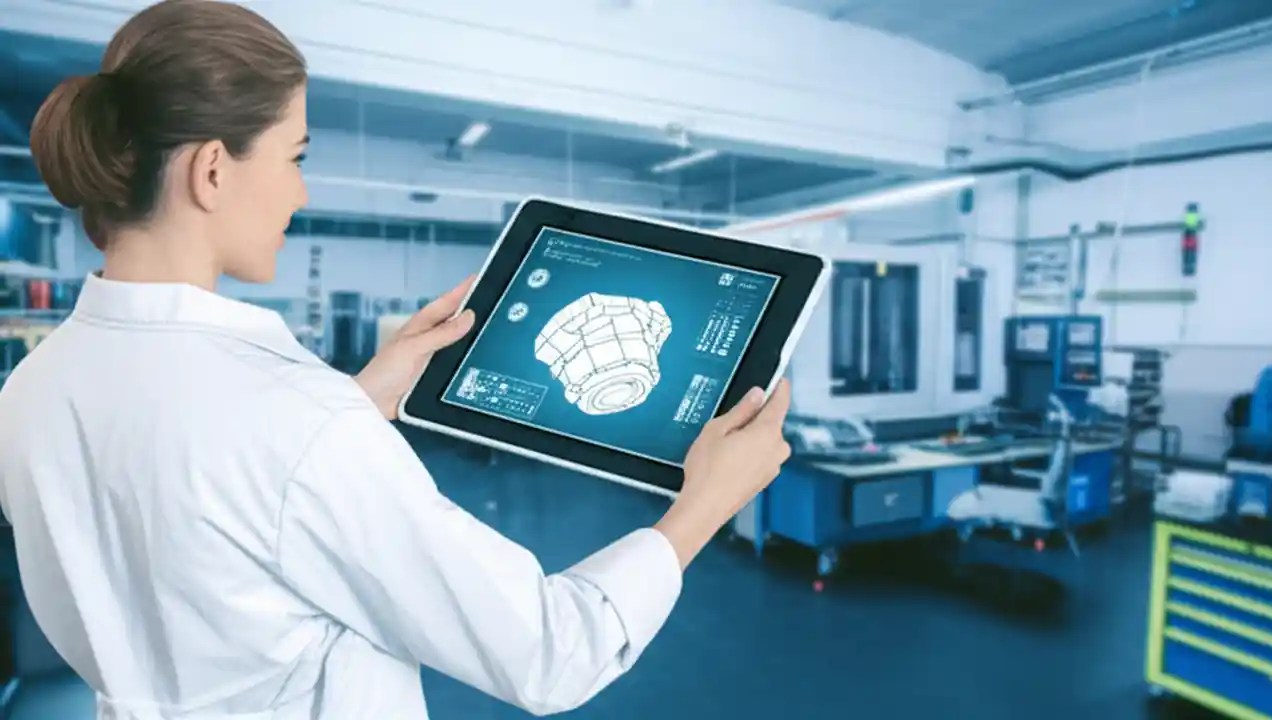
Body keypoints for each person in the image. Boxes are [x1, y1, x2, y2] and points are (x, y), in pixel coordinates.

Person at [0, 1, 793, 718]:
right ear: (212, 170)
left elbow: (202, 522)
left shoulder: (31, 388)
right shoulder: (296, 426)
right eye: (295, 156)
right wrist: (703, 506)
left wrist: (355, 398)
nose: (300, 194)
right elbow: (552, 652)